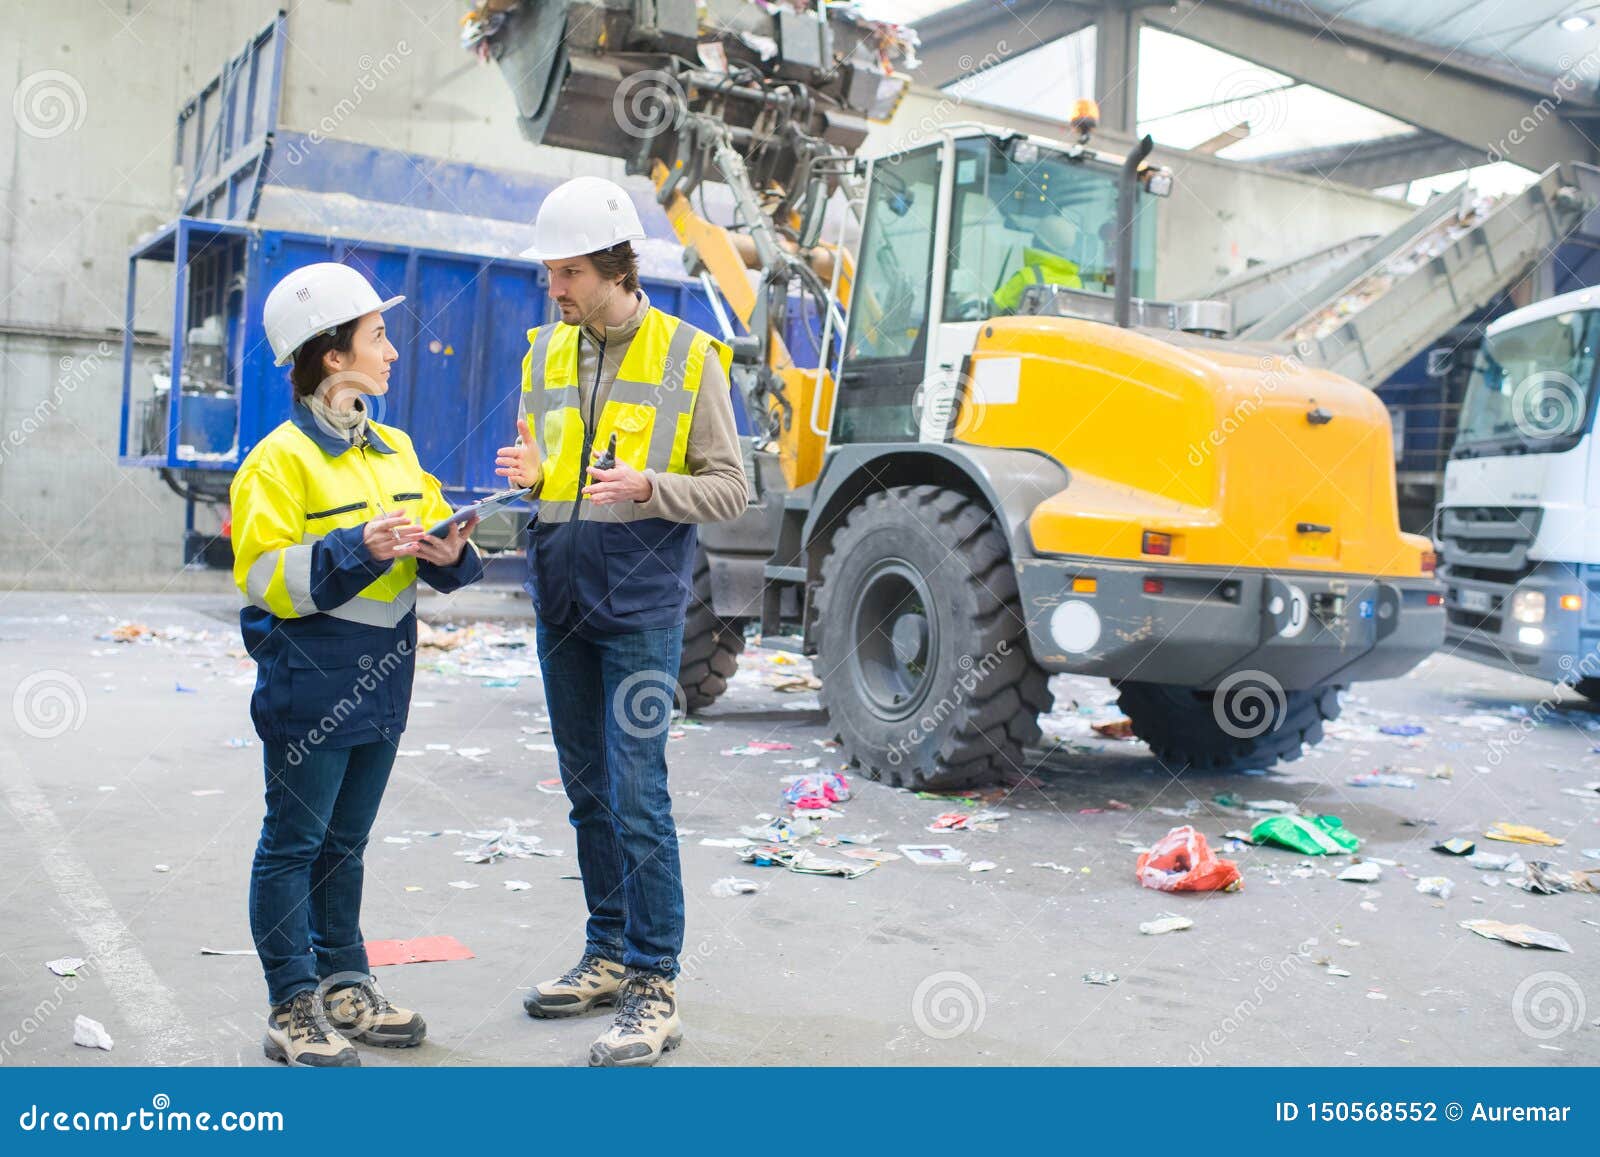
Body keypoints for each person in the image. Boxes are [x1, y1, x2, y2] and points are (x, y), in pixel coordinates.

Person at [496, 175, 748, 1067]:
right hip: (560, 599)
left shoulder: (690, 357)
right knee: (587, 789)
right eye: (549, 275)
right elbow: (552, 471)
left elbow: (731, 486)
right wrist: (530, 476)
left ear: (611, 266)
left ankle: (653, 981)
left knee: (637, 792)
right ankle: (606, 952)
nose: (553, 290)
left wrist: (652, 488)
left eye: (565, 273)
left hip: (639, 610)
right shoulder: (545, 353)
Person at [232, 262, 484, 1067]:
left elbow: (430, 547)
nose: (393, 352)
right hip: (313, 684)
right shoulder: (277, 463)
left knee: (346, 841)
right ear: (332, 356)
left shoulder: (394, 447)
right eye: (378, 337)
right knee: (293, 844)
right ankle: (291, 1003)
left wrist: (451, 548)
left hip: (383, 678)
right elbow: (266, 576)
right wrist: (354, 546)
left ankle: (345, 979)